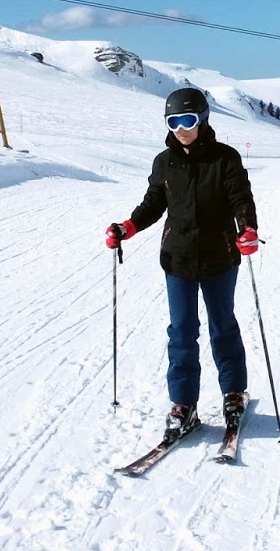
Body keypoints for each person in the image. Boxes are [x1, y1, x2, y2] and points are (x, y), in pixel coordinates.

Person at [106, 87, 259, 441]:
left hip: (220, 256)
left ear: (202, 119)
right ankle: (183, 404)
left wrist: (247, 229)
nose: (180, 129)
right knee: (181, 331)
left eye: (187, 120)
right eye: (173, 121)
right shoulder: (164, 162)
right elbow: (153, 204)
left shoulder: (225, 159)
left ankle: (233, 393)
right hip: (178, 259)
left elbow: (241, 198)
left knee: (222, 326)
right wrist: (126, 227)